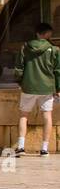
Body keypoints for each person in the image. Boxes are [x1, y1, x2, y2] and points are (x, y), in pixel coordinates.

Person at [14, 22, 58, 156]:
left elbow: (18, 68)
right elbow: (58, 71)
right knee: (47, 115)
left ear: (37, 33)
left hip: (29, 87)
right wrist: (58, 87)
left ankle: (21, 147)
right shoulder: (54, 50)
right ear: (48, 34)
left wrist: (21, 82)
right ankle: (44, 149)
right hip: (47, 88)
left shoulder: (25, 47)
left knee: (23, 115)